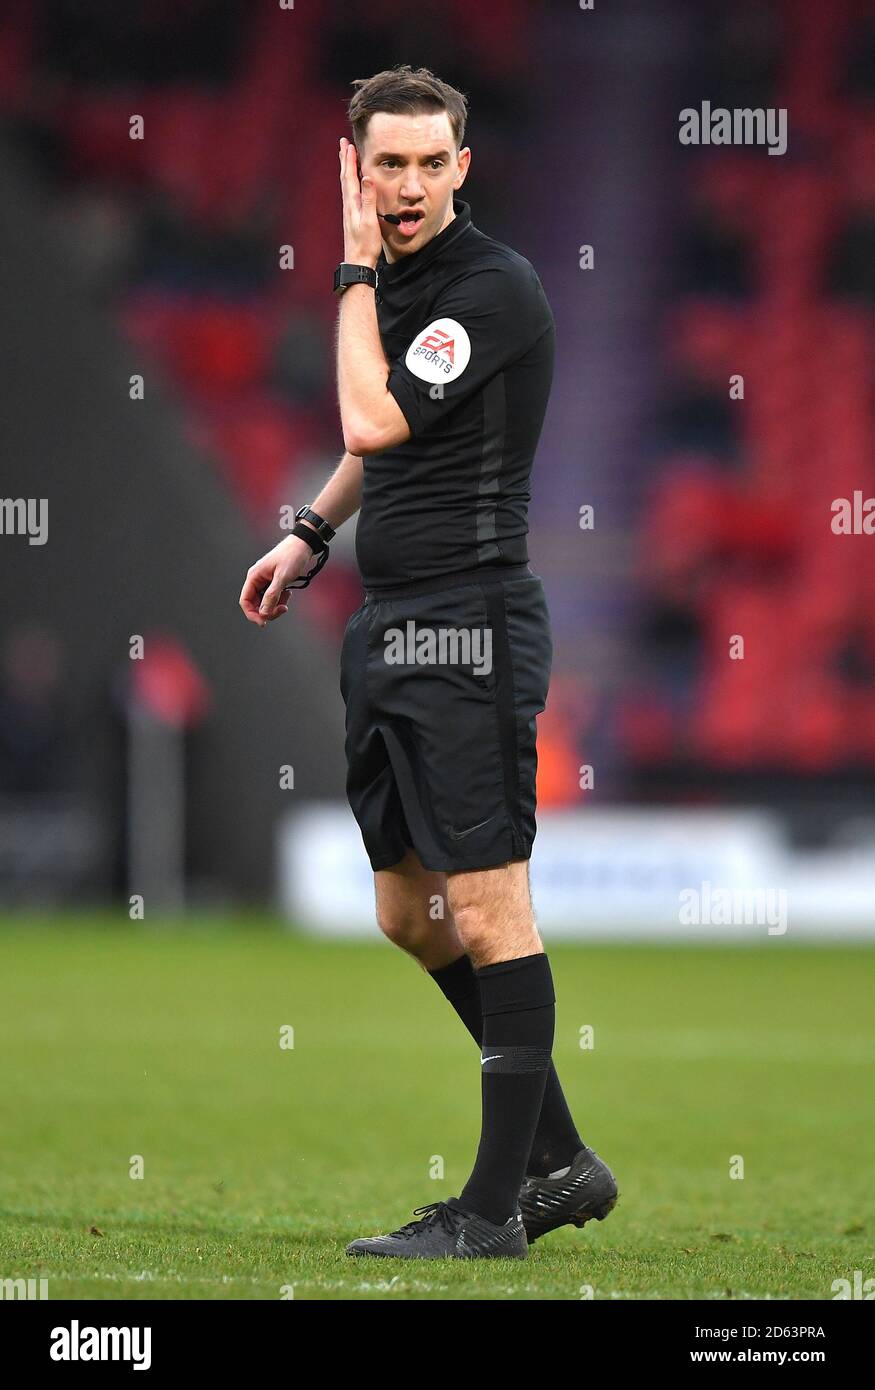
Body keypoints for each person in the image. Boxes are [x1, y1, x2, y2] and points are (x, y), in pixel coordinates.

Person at [239, 64, 616, 1260]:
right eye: (382, 164)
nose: (404, 186)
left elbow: (374, 419)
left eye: (425, 162)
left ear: (462, 167)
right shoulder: (394, 291)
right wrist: (309, 532)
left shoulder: (484, 288)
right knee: (412, 911)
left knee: (492, 905)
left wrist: (352, 270)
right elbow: (377, 443)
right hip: (390, 620)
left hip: (469, 627)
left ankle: (495, 1210)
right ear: (352, 168)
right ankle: (560, 1159)